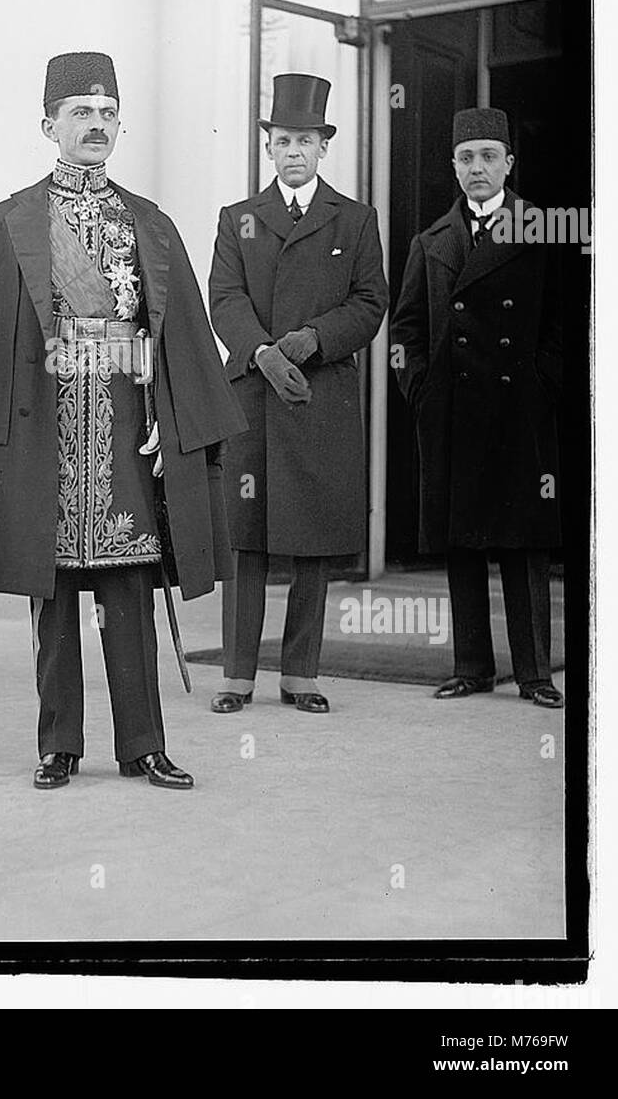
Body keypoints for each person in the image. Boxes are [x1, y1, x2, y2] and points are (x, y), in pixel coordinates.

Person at [0, 51, 245, 789]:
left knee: (129, 592)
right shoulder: (9, 225)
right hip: (43, 434)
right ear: (49, 125)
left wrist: (171, 413)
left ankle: (143, 747)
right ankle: (58, 745)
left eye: (107, 114)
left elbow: (178, 335)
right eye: (80, 114)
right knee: (52, 596)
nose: (96, 126)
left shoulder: (148, 224)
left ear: (120, 125)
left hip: (127, 430)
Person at [208, 73, 388, 715]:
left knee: (313, 535)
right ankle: (235, 674)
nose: (293, 152)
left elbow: (371, 303)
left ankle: (301, 673)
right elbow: (222, 300)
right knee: (246, 537)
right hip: (254, 397)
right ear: (270, 147)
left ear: (322, 147)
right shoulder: (239, 221)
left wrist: (312, 340)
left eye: (305, 141)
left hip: (320, 396)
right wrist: (261, 350)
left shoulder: (357, 220)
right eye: (283, 140)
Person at [390, 106, 564, 709]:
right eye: (466, 158)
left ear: (509, 163)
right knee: (462, 539)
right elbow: (404, 328)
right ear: (454, 167)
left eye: (489, 156)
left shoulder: (543, 229)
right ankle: (472, 667)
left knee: (522, 543)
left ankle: (536, 672)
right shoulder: (431, 240)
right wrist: (419, 386)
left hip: (521, 408)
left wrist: (545, 382)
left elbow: (567, 321)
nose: (477, 169)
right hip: (454, 410)